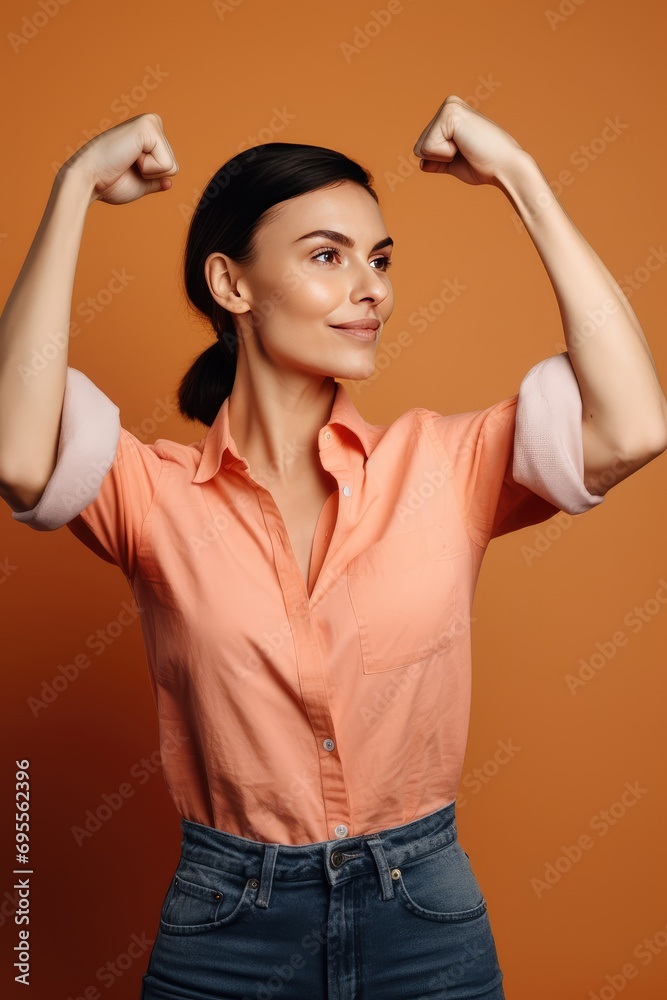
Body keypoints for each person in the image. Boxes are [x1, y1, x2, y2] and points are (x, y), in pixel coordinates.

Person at [1, 98, 665, 999]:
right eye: (328, 256)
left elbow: (631, 426)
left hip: (422, 918)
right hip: (226, 930)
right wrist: (73, 185)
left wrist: (521, 177)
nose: (373, 289)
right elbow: (15, 453)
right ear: (231, 285)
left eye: (379, 260)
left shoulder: (445, 466)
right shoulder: (149, 494)